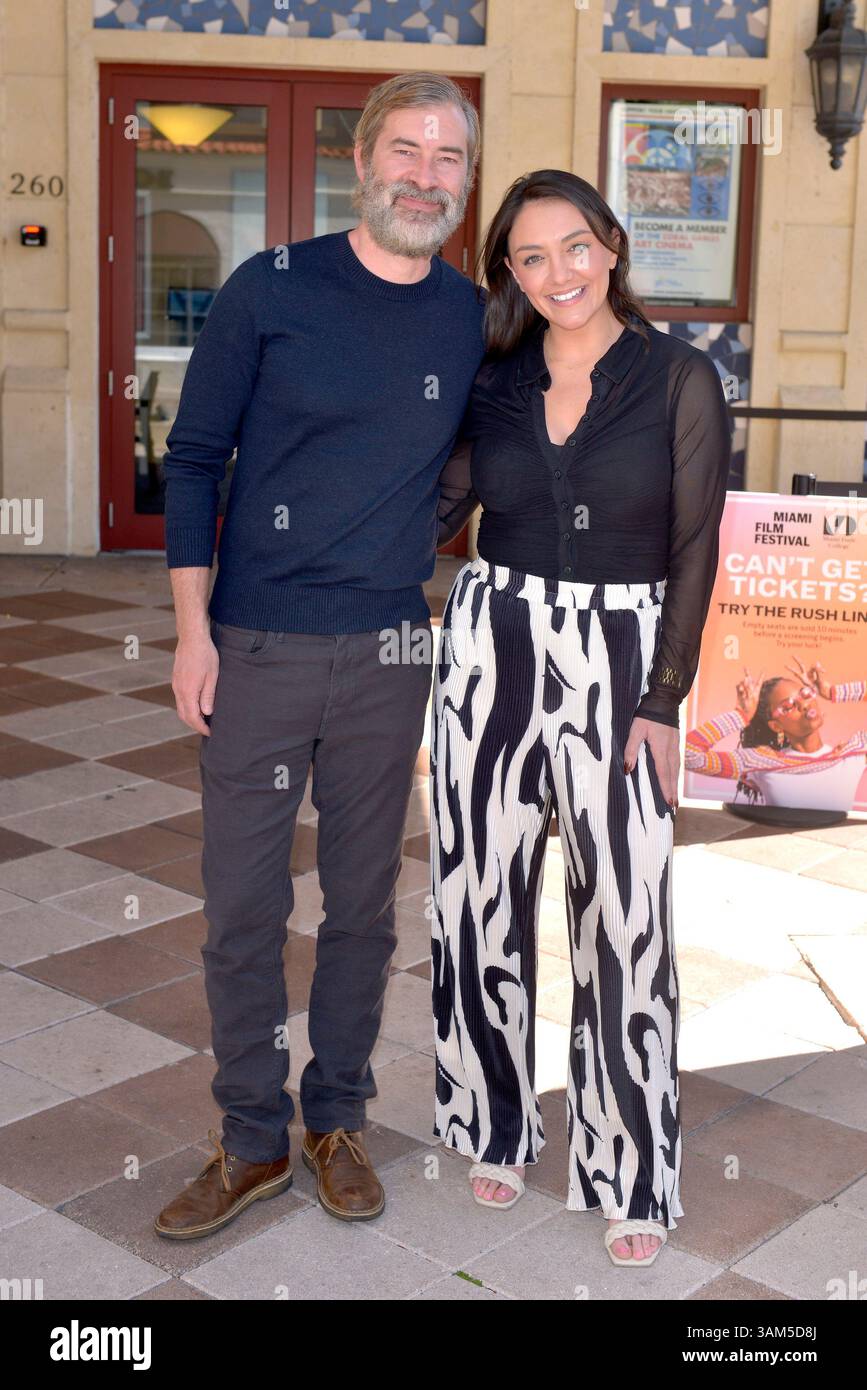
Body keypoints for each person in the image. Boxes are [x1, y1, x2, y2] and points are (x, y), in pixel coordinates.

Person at [154, 72, 486, 1240]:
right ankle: (250, 1138)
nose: (425, 175)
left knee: (362, 906)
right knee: (242, 904)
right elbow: (193, 462)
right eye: (407, 149)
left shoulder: (472, 316)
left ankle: (334, 1117)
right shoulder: (271, 290)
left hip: (390, 653)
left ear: (465, 178)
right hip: (253, 646)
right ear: (361, 160)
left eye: (448, 157)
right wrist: (192, 632)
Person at [430, 170, 732, 1266]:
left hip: (622, 654)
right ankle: (494, 1118)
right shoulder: (493, 379)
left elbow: (697, 548)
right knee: (478, 891)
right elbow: (438, 506)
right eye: (529, 257)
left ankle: (630, 1163)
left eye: (573, 247)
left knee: (625, 917)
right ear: (509, 273)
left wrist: (664, 696)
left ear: (610, 245)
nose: (557, 272)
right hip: (491, 642)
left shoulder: (679, 379)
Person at [686, 656, 867, 811]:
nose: (803, 705)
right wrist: (741, 715)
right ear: (776, 726)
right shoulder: (760, 761)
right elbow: (688, 754)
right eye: (788, 706)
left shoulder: (853, 752)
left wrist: (833, 692)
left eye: (805, 693)